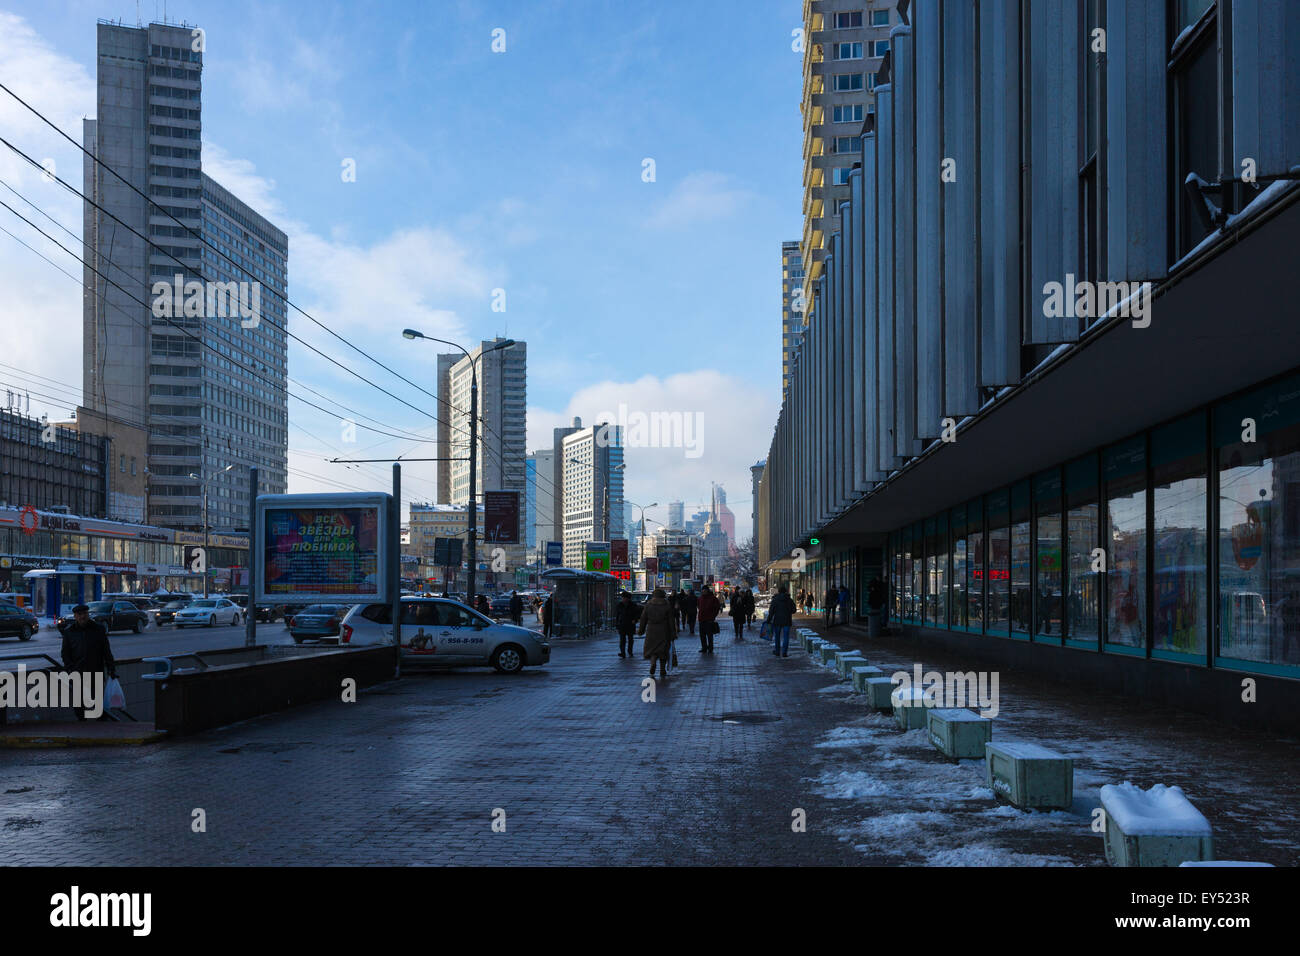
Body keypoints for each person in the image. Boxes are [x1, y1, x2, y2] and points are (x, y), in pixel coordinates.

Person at [58, 604, 117, 721]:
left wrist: (111, 668)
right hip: (77, 673)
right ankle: (83, 728)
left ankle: (101, 731)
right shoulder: (69, 632)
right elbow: (65, 654)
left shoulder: (98, 629)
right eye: (79, 614)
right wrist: (70, 669)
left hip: (96, 672)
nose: (82, 617)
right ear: (75, 616)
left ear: (88, 614)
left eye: (85, 614)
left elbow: (106, 651)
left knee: (99, 706)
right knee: (79, 707)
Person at [638, 588, 676, 679]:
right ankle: (662, 669)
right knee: (663, 649)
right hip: (664, 630)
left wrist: (641, 630)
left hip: (651, 629)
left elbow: (643, 618)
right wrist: (673, 633)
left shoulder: (648, 605)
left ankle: (653, 662)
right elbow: (671, 621)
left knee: (652, 649)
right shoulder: (666, 605)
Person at [768, 584, 797, 658]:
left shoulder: (775, 599)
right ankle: (784, 652)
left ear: (779, 591)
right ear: (786, 592)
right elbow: (794, 610)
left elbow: (771, 611)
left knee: (777, 636)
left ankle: (777, 651)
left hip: (777, 621)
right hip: (787, 621)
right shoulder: (789, 600)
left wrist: (768, 620)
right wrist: (788, 611)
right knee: (786, 637)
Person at [697, 585, 721, 654]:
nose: (704, 591)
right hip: (701, 619)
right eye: (703, 590)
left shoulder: (713, 598)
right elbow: (699, 606)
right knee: (702, 635)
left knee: (709, 635)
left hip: (709, 620)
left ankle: (710, 648)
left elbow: (717, 607)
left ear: (707, 591)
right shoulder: (700, 598)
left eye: (705, 590)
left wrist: (713, 616)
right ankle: (704, 647)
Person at [615, 591, 639, 658]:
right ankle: (623, 652)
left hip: (630, 624)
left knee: (630, 639)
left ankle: (630, 651)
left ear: (628, 598)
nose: (624, 599)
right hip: (622, 624)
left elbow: (637, 614)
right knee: (622, 639)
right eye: (623, 598)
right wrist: (617, 624)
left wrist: (635, 620)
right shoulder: (619, 605)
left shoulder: (633, 605)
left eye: (625, 598)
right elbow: (617, 615)